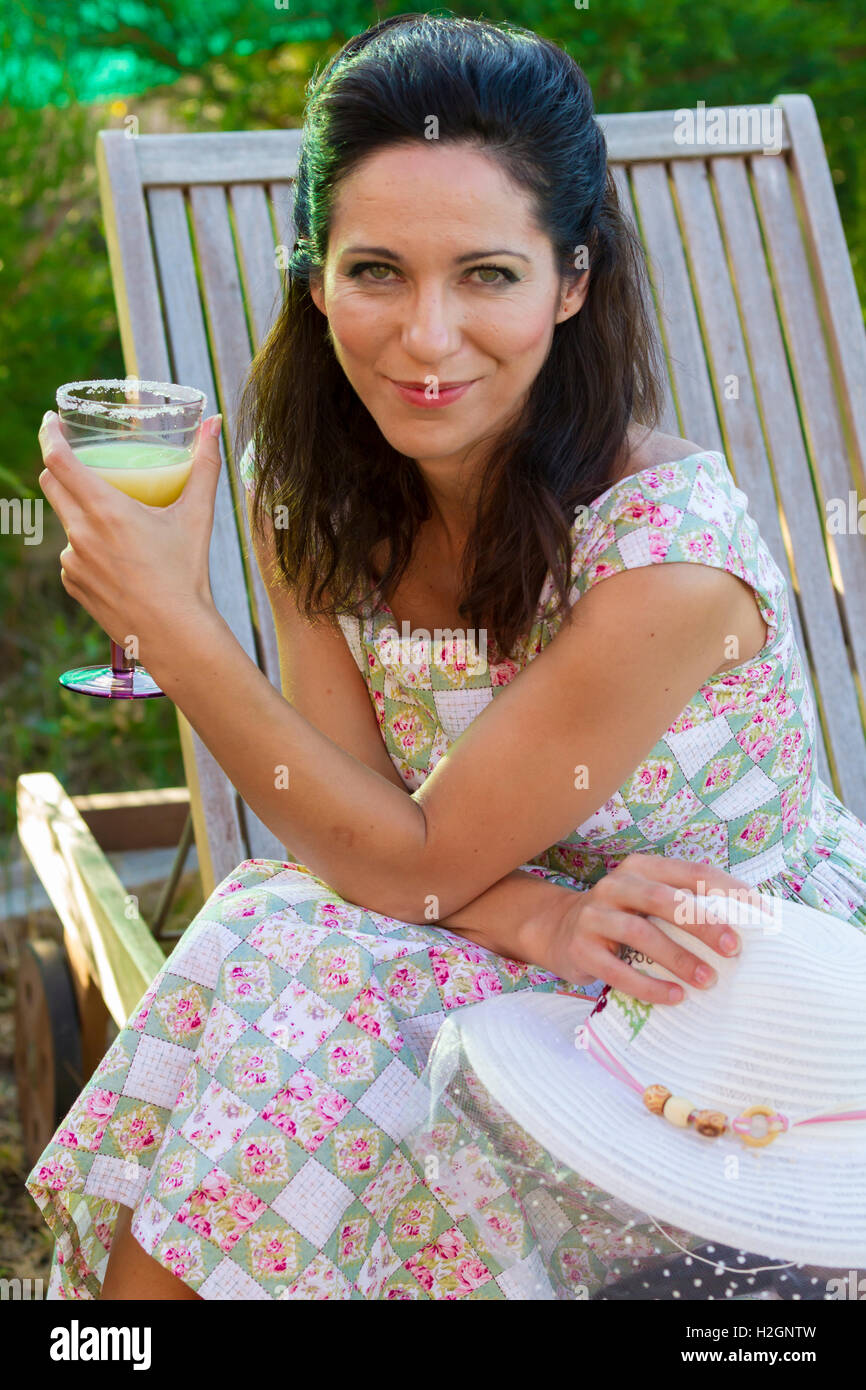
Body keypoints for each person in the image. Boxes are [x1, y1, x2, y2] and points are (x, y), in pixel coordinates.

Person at [27, 13, 866, 1300]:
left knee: (282, 946)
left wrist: (173, 634)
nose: (424, 339)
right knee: (285, 938)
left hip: (730, 1005)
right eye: (376, 272)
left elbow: (396, 857)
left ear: (569, 282)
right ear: (313, 278)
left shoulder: (666, 555)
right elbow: (354, 825)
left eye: (485, 274)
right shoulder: (309, 493)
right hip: (493, 936)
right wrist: (536, 913)